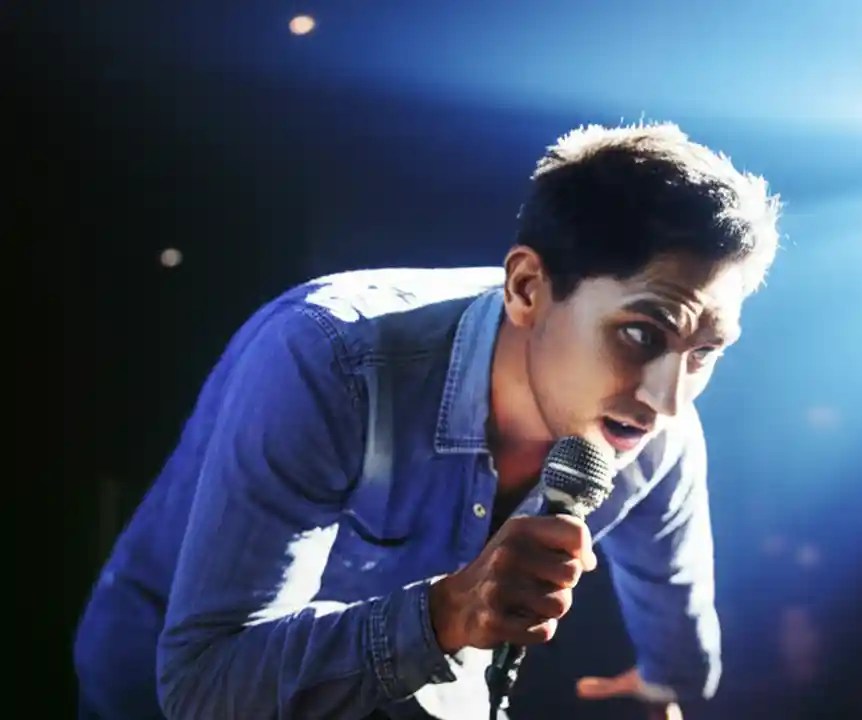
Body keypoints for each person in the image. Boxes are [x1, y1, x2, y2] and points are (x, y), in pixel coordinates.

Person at [73, 122, 782, 719]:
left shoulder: (655, 435)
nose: (669, 400)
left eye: (705, 352)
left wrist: (665, 689)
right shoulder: (329, 357)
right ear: (527, 288)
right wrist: (446, 614)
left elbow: (679, 629)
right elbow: (204, 682)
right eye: (640, 335)